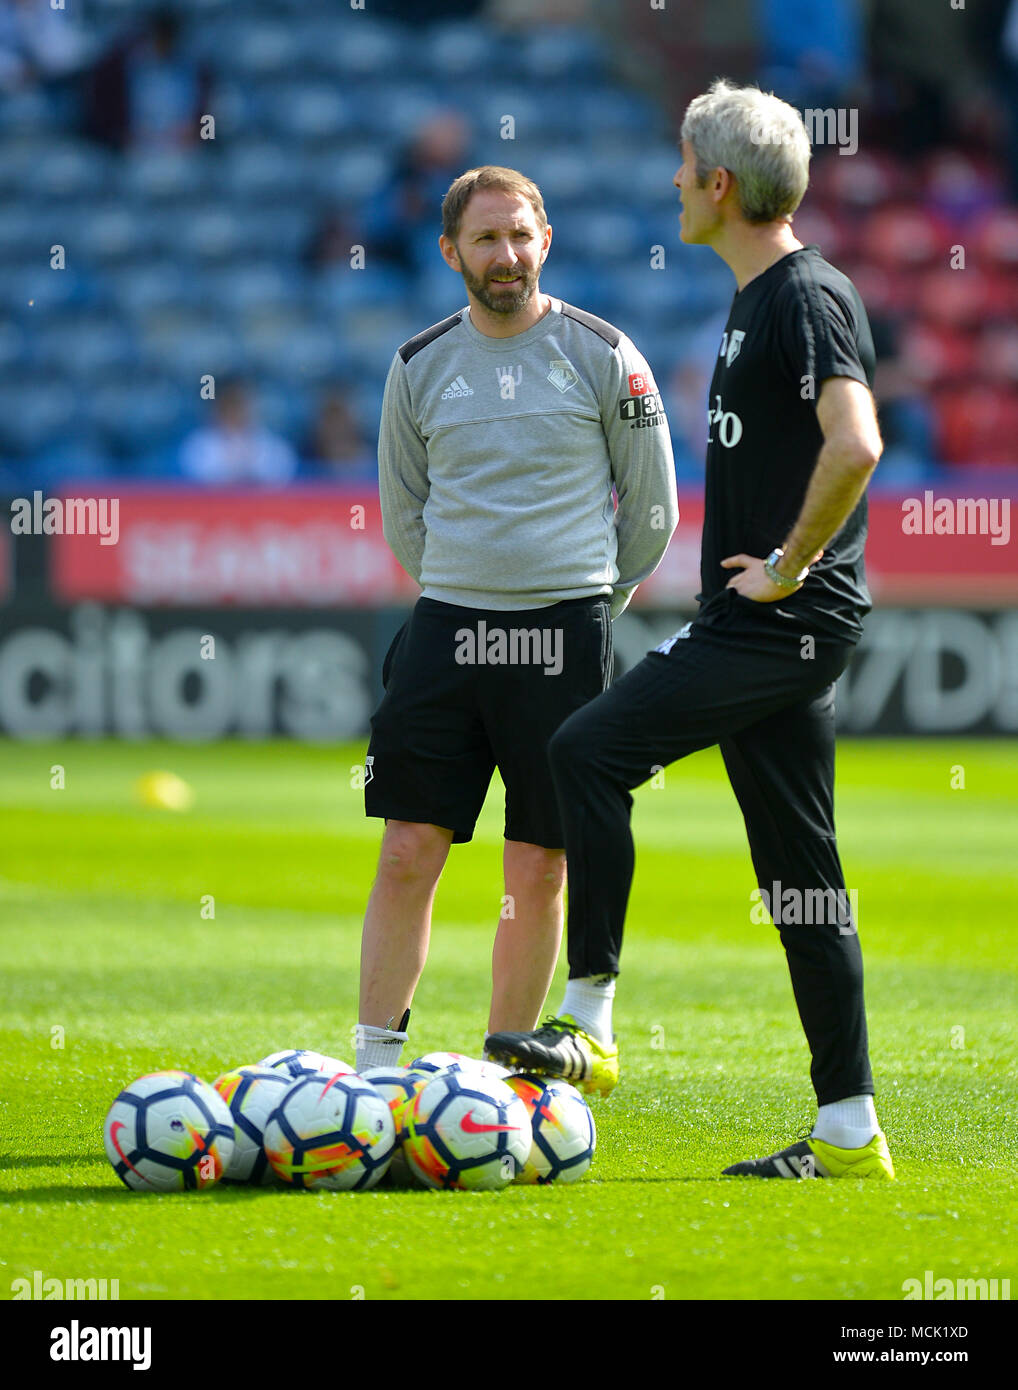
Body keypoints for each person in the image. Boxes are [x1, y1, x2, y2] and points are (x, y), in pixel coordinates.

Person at [485, 82, 895, 1182]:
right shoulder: (760, 296)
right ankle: (849, 1130)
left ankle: (590, 1020)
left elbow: (856, 444)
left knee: (586, 748)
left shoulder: (801, 296)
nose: (671, 180)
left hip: (778, 624)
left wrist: (790, 567)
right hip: (781, 624)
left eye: (682, 164)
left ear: (719, 185)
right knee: (803, 877)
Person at [353, 165, 678, 1073]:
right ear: (451, 249)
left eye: (521, 235)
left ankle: (502, 1076)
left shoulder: (606, 353)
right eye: (487, 238)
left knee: (539, 866)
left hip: (565, 639)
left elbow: (652, 511)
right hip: (446, 634)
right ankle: (377, 1069)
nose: (507, 254)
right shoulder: (418, 364)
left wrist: (589, 603)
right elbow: (402, 512)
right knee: (409, 849)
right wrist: (465, 586)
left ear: (547, 241)